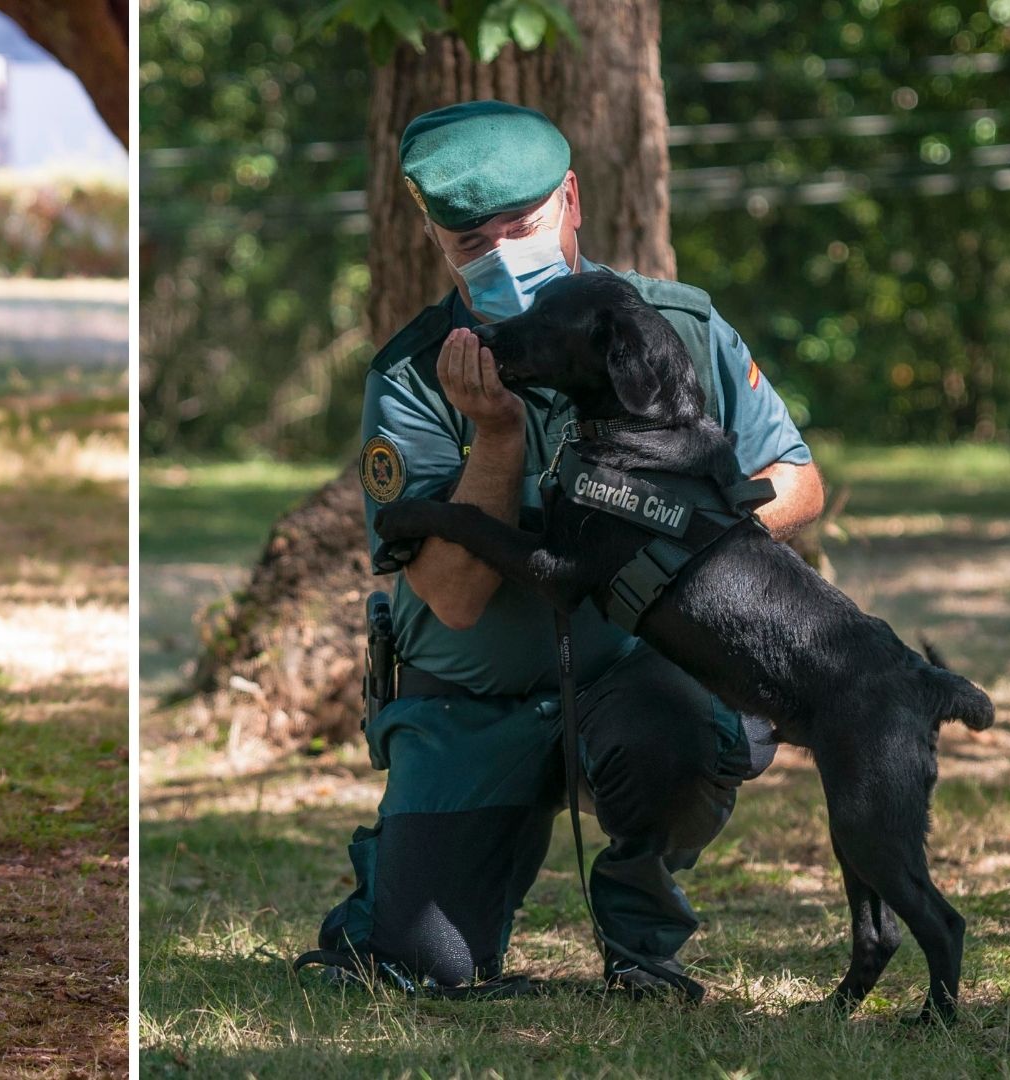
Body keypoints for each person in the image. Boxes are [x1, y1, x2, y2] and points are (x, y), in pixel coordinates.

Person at [318, 101, 825, 996]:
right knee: (421, 967)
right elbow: (456, 597)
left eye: (522, 226)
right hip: (472, 700)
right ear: (435, 239)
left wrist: (670, 537)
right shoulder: (413, 377)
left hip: (632, 677)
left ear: (574, 200)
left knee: (685, 733)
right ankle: (393, 893)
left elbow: (796, 480)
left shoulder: (676, 327)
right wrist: (498, 438)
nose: (502, 254)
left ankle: (640, 934)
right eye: (471, 240)